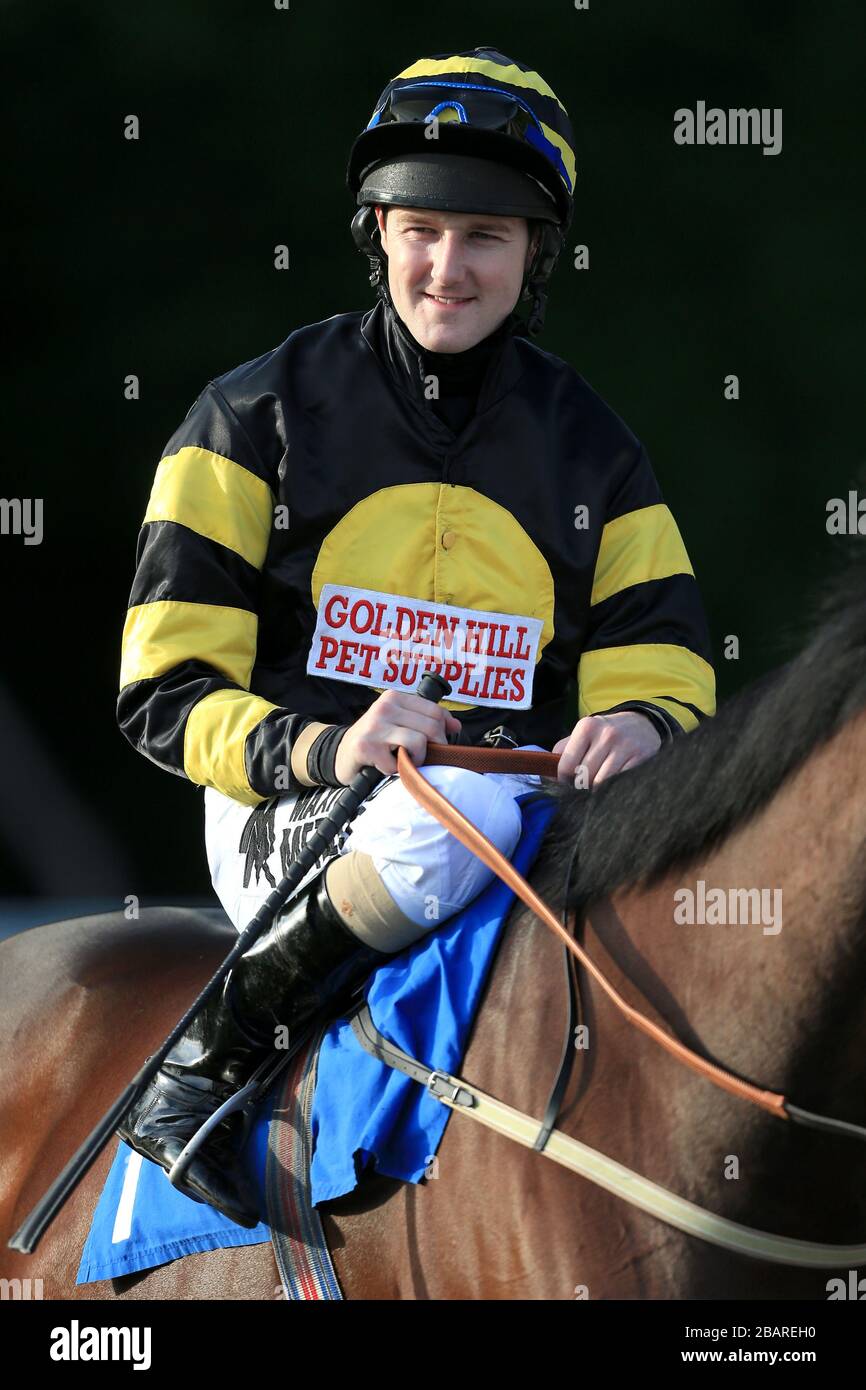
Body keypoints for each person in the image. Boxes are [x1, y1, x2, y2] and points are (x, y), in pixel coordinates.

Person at [115, 47, 716, 1226]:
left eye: (486, 234)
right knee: (466, 815)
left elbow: (667, 662)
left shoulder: (594, 449)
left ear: (534, 254)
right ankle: (207, 1065)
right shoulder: (245, 418)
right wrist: (326, 745)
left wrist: (642, 723)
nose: (449, 266)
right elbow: (163, 690)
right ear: (377, 230)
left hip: (527, 825)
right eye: (422, 230)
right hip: (288, 811)